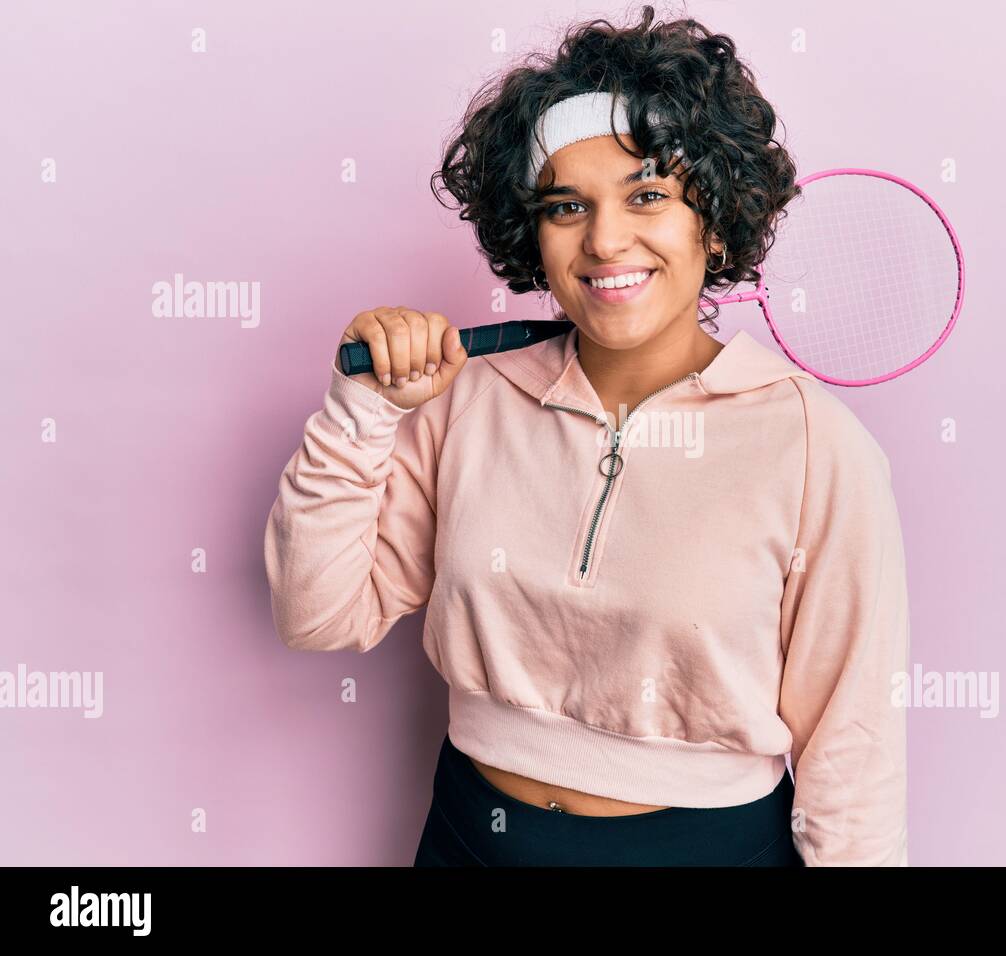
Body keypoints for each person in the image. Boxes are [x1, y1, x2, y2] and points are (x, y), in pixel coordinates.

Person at [263, 5, 910, 867]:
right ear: (532, 231)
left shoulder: (818, 448)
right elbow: (316, 616)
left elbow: (853, 747)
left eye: (648, 196)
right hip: (472, 834)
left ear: (713, 225)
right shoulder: (470, 400)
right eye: (568, 206)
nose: (606, 240)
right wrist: (364, 411)